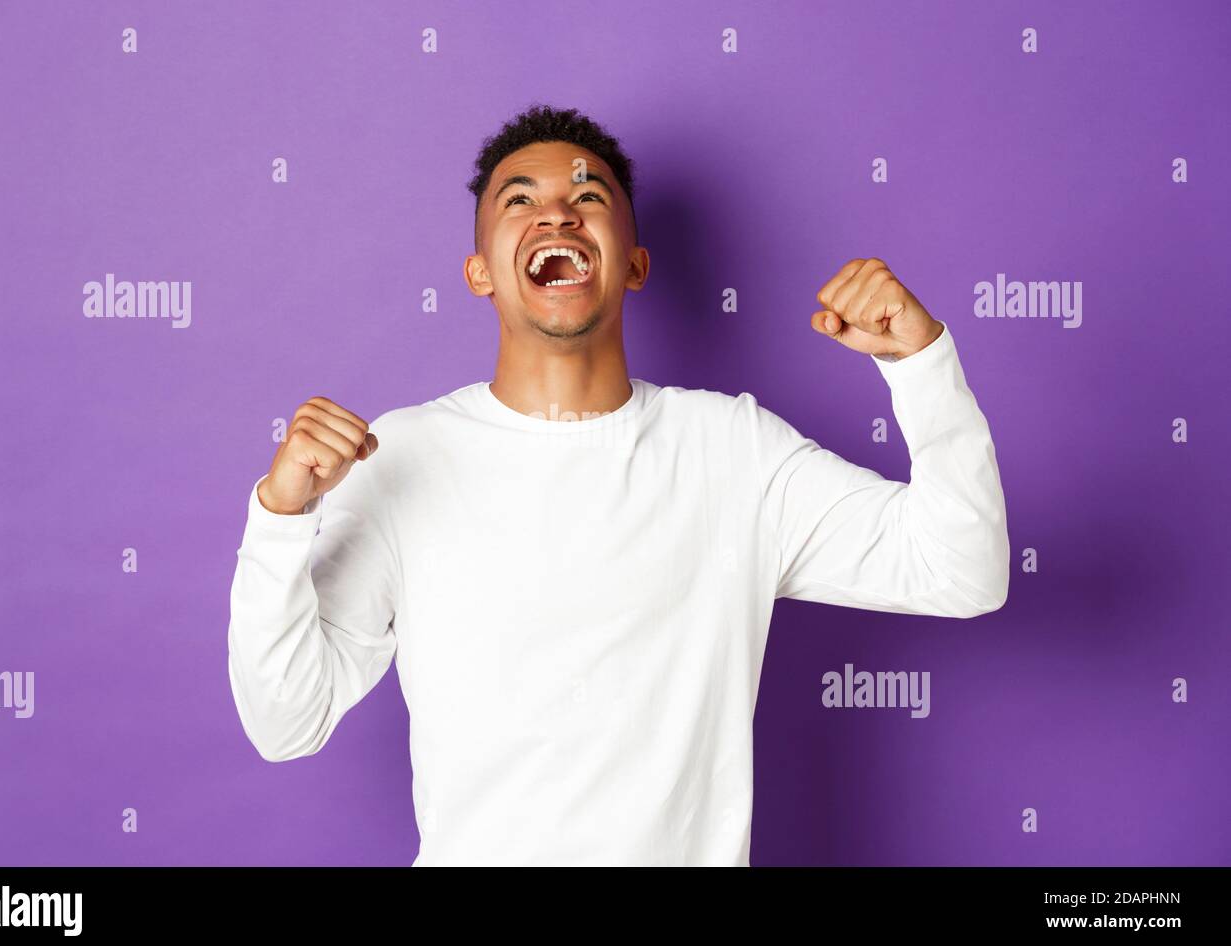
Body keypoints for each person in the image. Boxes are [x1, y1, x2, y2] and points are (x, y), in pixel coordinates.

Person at [226, 104, 1010, 866]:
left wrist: (921, 364)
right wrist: (282, 515)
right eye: (521, 200)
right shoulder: (398, 455)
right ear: (478, 273)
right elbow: (285, 722)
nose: (557, 217)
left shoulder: (733, 450)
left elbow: (960, 571)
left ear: (635, 264)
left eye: (588, 198)